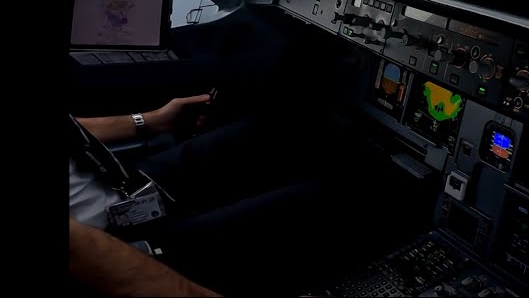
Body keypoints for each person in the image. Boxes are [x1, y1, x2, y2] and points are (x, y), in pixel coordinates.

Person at [69, 94, 381, 296]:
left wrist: (148, 121)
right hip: (115, 249)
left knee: (279, 129)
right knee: (320, 202)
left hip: (123, 185)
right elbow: (79, 249)